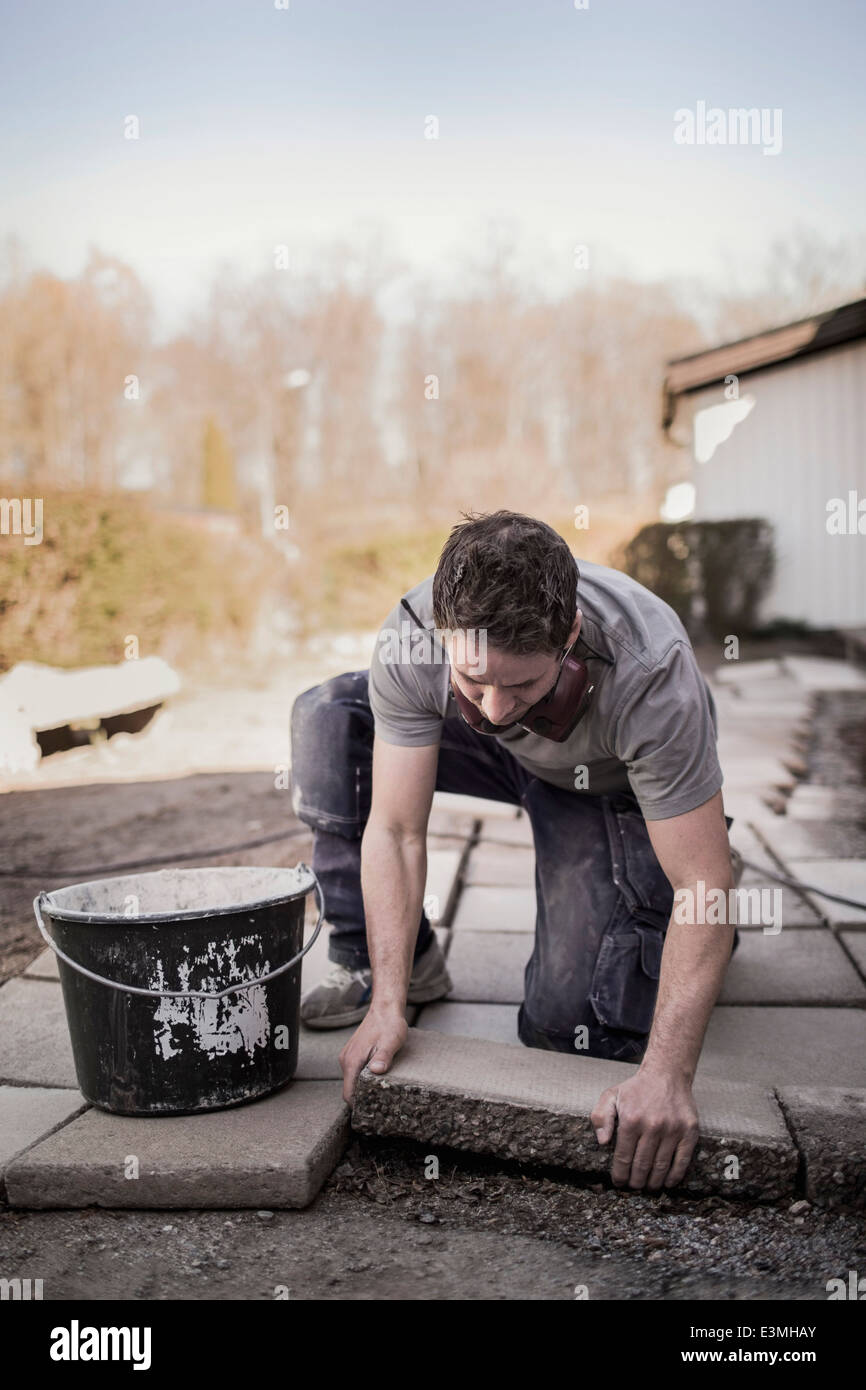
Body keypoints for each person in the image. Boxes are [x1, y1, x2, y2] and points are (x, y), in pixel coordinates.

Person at [289, 509, 742, 1190]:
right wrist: (389, 1001)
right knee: (329, 714)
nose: (496, 711)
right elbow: (396, 829)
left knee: (569, 1029)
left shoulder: (651, 672)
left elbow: (704, 883)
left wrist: (667, 1076)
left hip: (608, 786)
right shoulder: (415, 639)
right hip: (505, 765)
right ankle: (386, 961)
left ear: (570, 636)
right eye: (474, 684)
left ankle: (685, 873)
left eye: (523, 685)